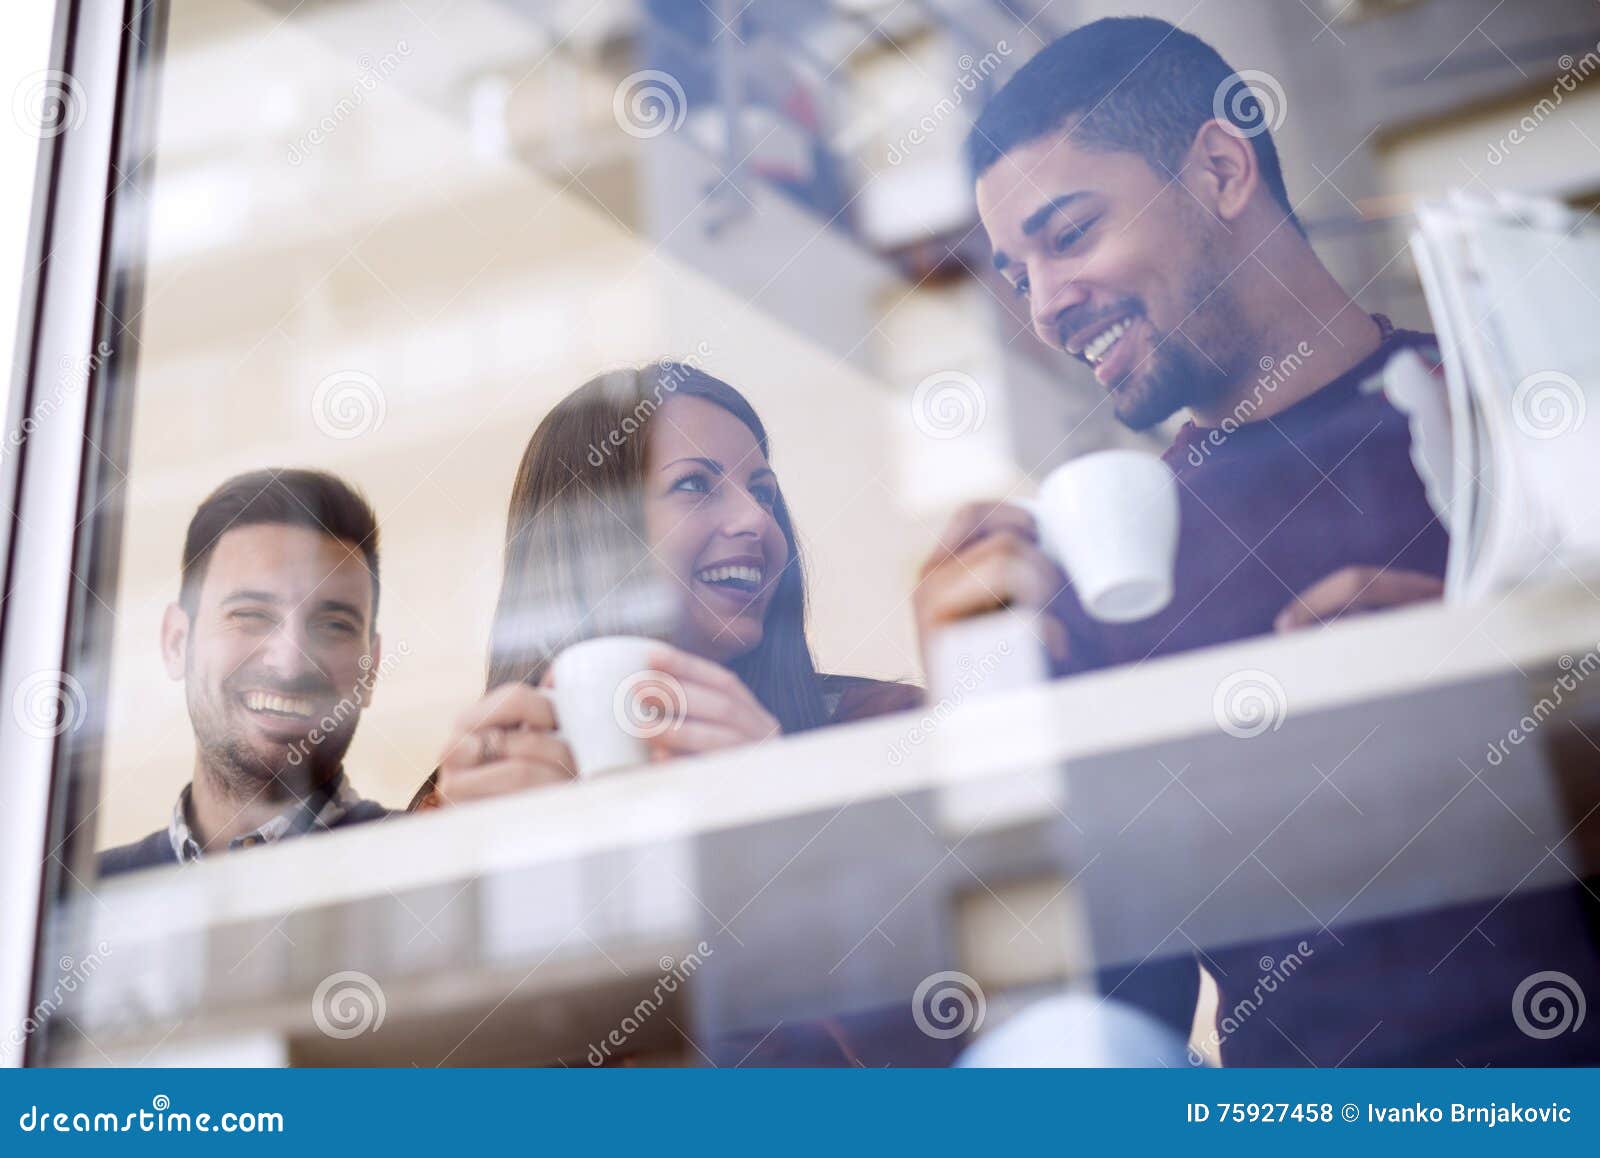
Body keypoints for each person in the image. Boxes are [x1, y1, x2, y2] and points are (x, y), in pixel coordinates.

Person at [913, 17, 1598, 1066]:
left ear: (1222, 171)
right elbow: (1111, 1013)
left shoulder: (1511, 421)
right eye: (1016, 273)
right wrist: (994, 728)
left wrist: (1507, 709)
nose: (1045, 307)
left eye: (1069, 234)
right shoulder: (1103, 566)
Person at [415, 361, 917, 809]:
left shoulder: (886, 730)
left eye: (763, 493)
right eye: (695, 485)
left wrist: (780, 797)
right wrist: (476, 846)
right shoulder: (475, 793)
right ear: (595, 535)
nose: (759, 521)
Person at [99, 469, 390, 876]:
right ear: (177, 643)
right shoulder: (77, 898)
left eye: (333, 625)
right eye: (250, 615)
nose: (291, 662)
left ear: (371, 669)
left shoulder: (431, 863)